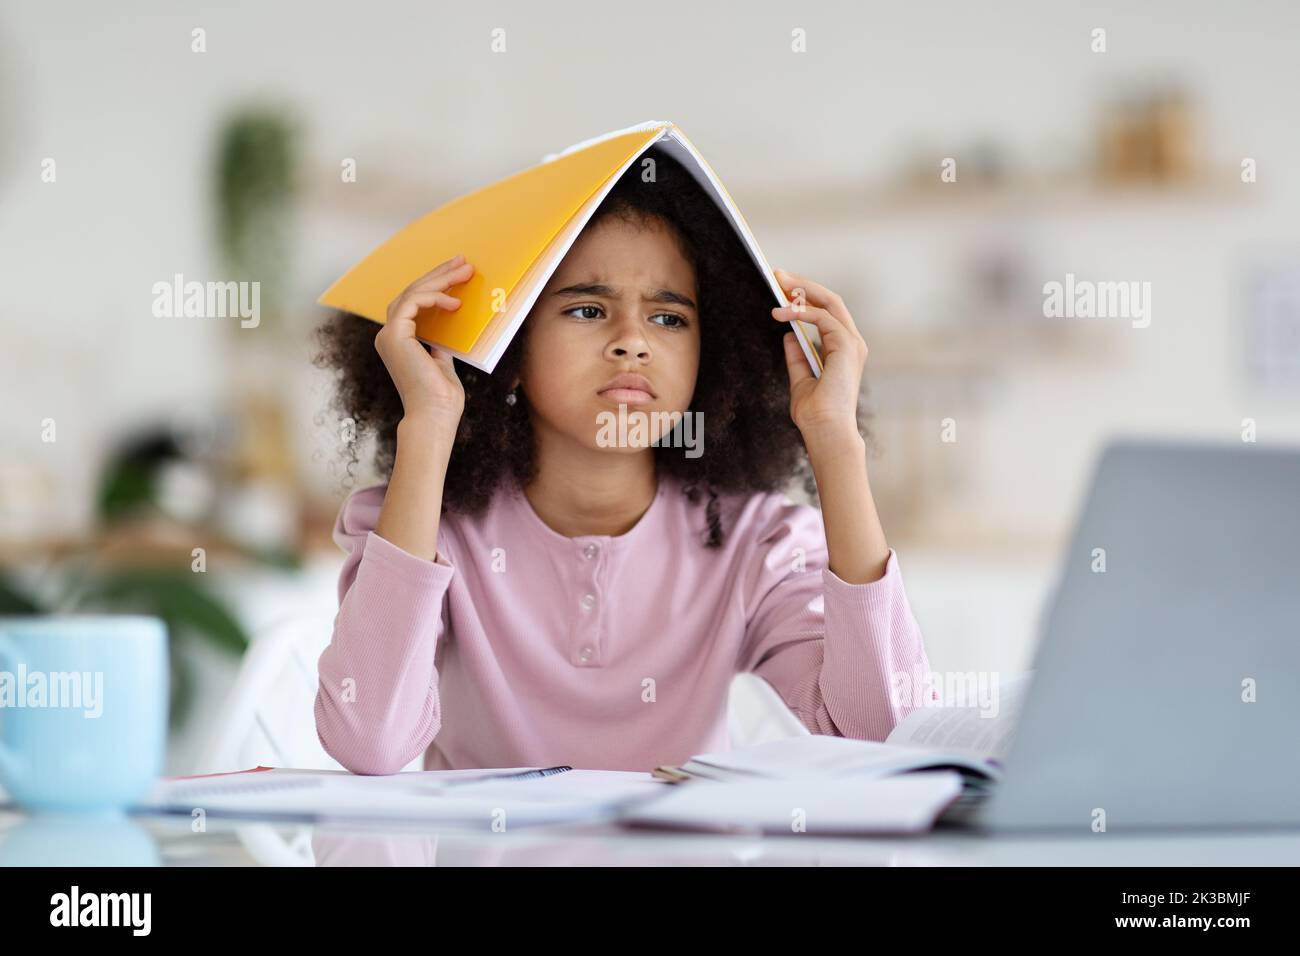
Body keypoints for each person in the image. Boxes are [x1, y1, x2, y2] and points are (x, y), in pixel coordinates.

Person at [310, 145, 933, 774]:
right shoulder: (423, 530)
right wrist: (429, 426)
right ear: (510, 346)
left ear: (705, 358)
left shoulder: (758, 543)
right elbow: (370, 743)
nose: (632, 342)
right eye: (587, 309)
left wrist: (835, 441)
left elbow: (881, 735)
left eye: (668, 317)